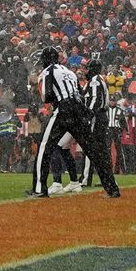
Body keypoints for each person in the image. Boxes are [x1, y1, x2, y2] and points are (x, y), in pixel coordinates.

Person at [30, 47, 119, 199]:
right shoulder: (69, 72)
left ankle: (40, 189)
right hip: (79, 110)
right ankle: (112, 188)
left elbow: (47, 97)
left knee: (45, 147)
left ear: (45, 59)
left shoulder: (47, 72)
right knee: (94, 151)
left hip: (63, 108)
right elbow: (79, 93)